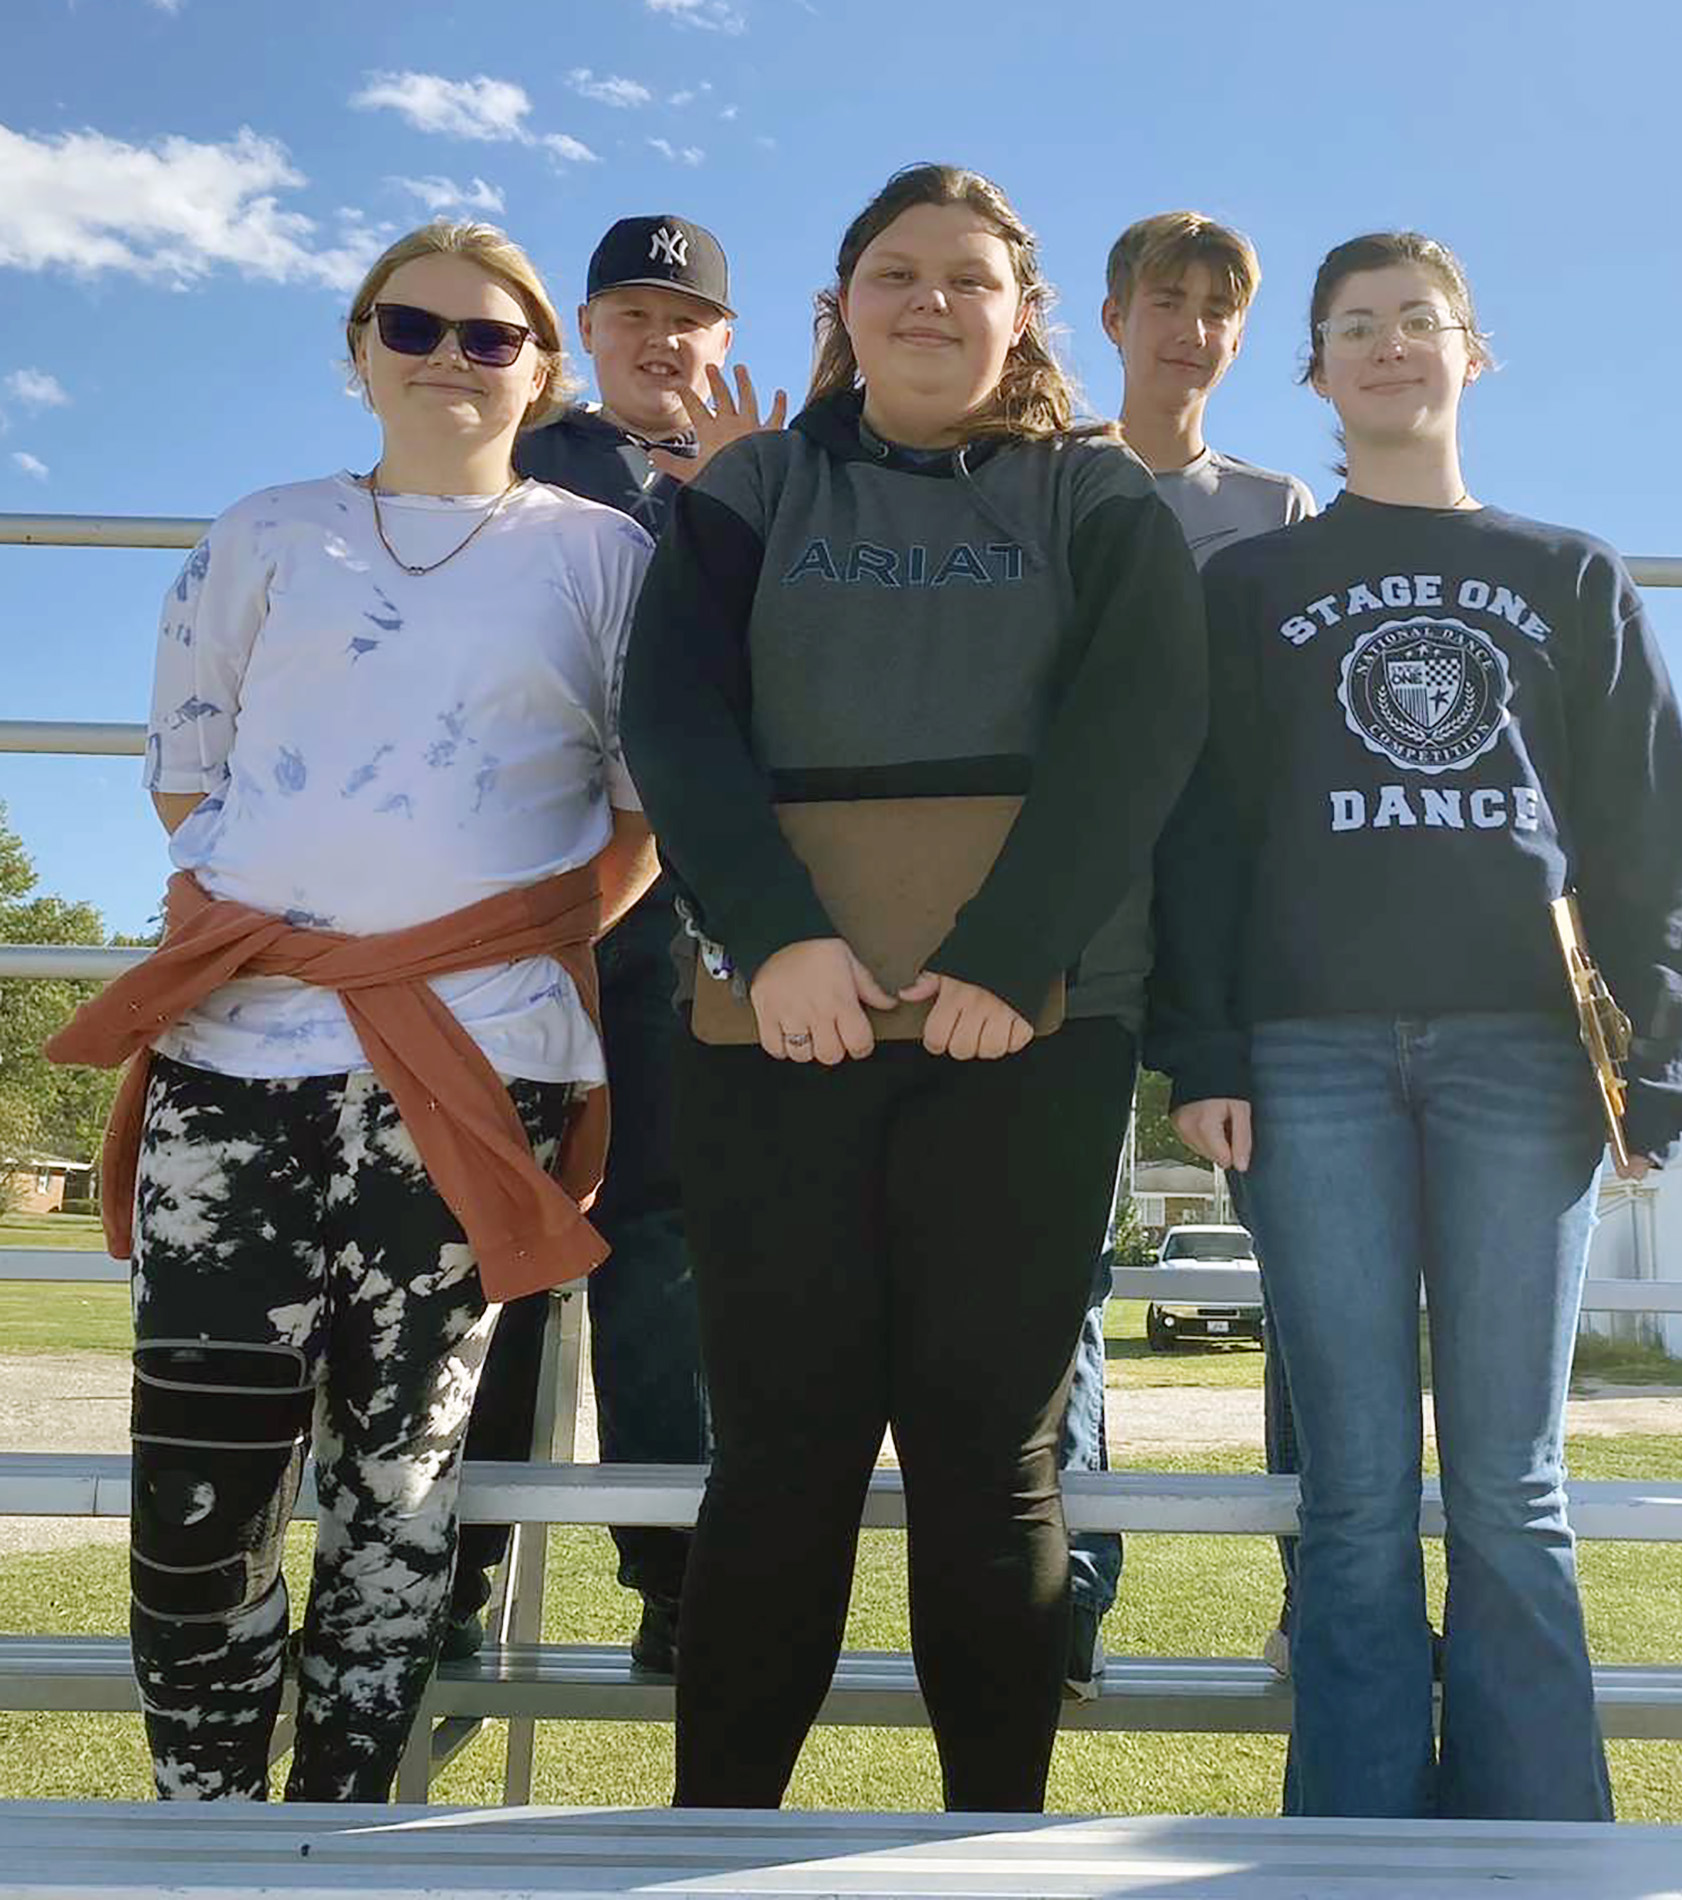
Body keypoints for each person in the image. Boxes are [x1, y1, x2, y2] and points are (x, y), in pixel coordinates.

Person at [621, 162, 1209, 1811]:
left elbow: (1141, 729)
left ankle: (992, 1844)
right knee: (783, 1462)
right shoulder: (750, 486)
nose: (930, 301)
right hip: (776, 1028)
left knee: (987, 1463)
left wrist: (1007, 954)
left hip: (1025, 1027)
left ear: (1021, 311)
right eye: (894, 272)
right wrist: (774, 935)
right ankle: (714, 1843)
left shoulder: (1095, 498)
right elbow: (672, 718)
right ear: (842, 306)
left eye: (967, 276)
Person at [46, 220, 656, 1801]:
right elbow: (189, 774)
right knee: (199, 1478)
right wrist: (325, 945)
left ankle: (347, 1826)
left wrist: (496, 947)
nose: (450, 358)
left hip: (478, 1067)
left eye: (490, 335)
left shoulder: (603, 558)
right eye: (413, 327)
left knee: (400, 1480)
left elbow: (641, 816)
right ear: (356, 350)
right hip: (238, 1058)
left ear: (544, 364)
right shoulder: (261, 535)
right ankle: (207, 1823)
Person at [1147, 230, 1682, 1819]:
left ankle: (1540, 1842)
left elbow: (1650, 831)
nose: (1389, 345)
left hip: (1523, 1062)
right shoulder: (1250, 582)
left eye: (1418, 321)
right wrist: (1204, 1051)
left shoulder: (1566, 571)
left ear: (1474, 353)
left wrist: (1657, 1068)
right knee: (1346, 1491)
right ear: (1315, 372)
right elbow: (1199, 832)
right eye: (1354, 327)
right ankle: (1354, 1833)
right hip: (1307, 1062)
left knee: (1508, 1486)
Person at [446, 213, 784, 1677]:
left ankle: (672, 1572)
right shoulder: (527, 455)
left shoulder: (773, 479)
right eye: (632, 311)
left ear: (725, 335)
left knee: (662, 1255)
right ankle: (450, 1566)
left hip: (687, 926)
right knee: (490, 1247)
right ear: (584, 327)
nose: (660, 337)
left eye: (686, 315)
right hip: (515, 900)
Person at [1061, 209, 1314, 1698]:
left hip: (1230, 932)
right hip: (1073, 923)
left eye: (1220, 307)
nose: (1193, 326)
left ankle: (1317, 1593)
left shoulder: (1274, 505)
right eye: (1168, 298)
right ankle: (1069, 1594)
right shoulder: (1044, 480)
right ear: (1112, 315)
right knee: (1063, 1273)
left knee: (1306, 1269)